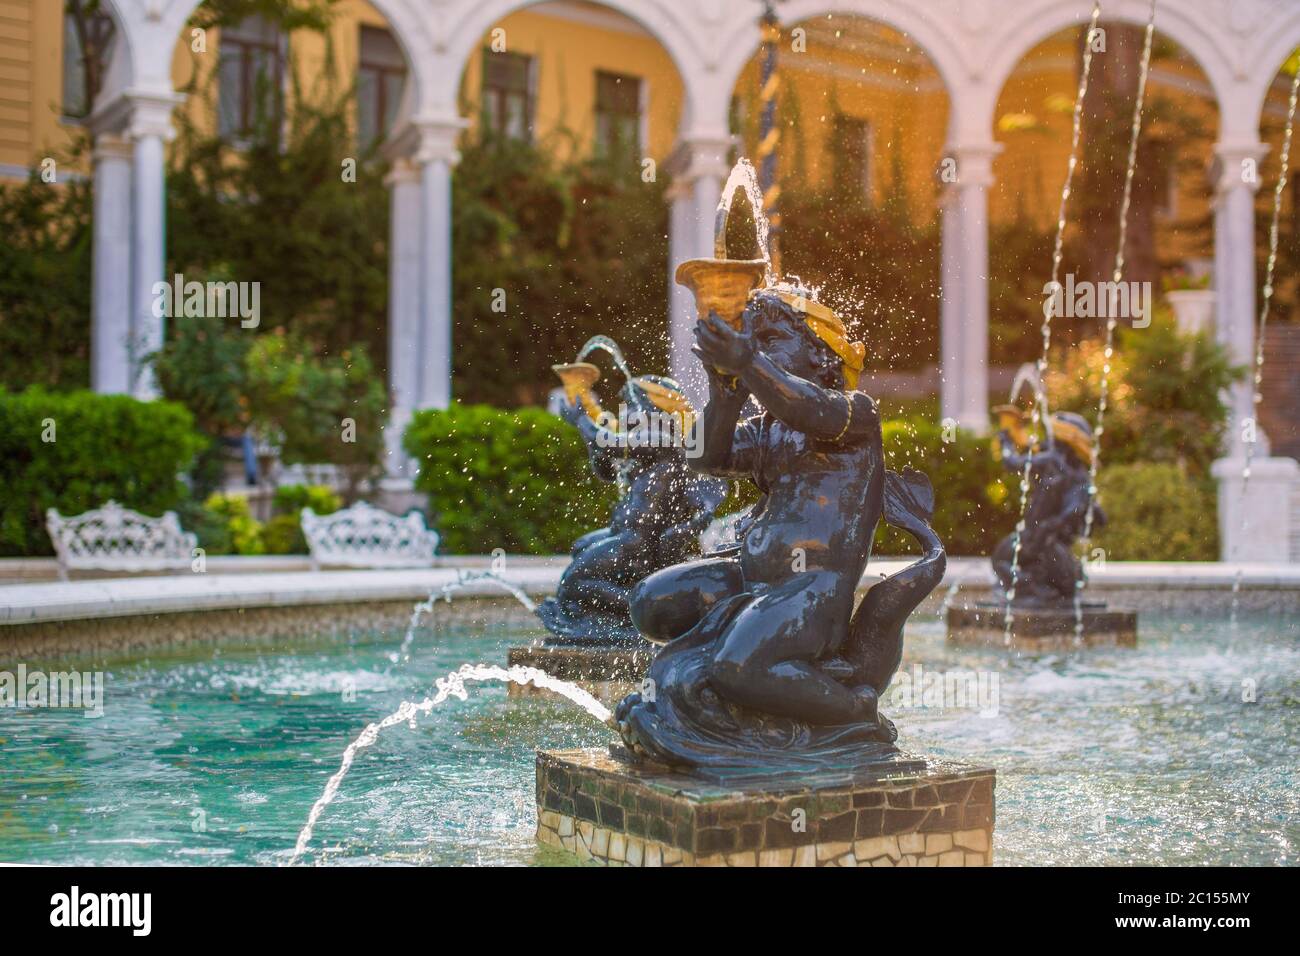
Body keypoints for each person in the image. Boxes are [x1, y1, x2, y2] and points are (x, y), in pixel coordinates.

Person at [616, 290, 945, 772]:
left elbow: (807, 409)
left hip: (810, 589)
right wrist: (724, 391)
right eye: (755, 339)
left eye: (771, 338)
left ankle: (853, 709)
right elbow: (705, 457)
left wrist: (748, 361)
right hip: (749, 579)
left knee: (738, 668)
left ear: (821, 354)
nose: (758, 346)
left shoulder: (855, 413)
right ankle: (732, 690)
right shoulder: (770, 428)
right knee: (650, 602)